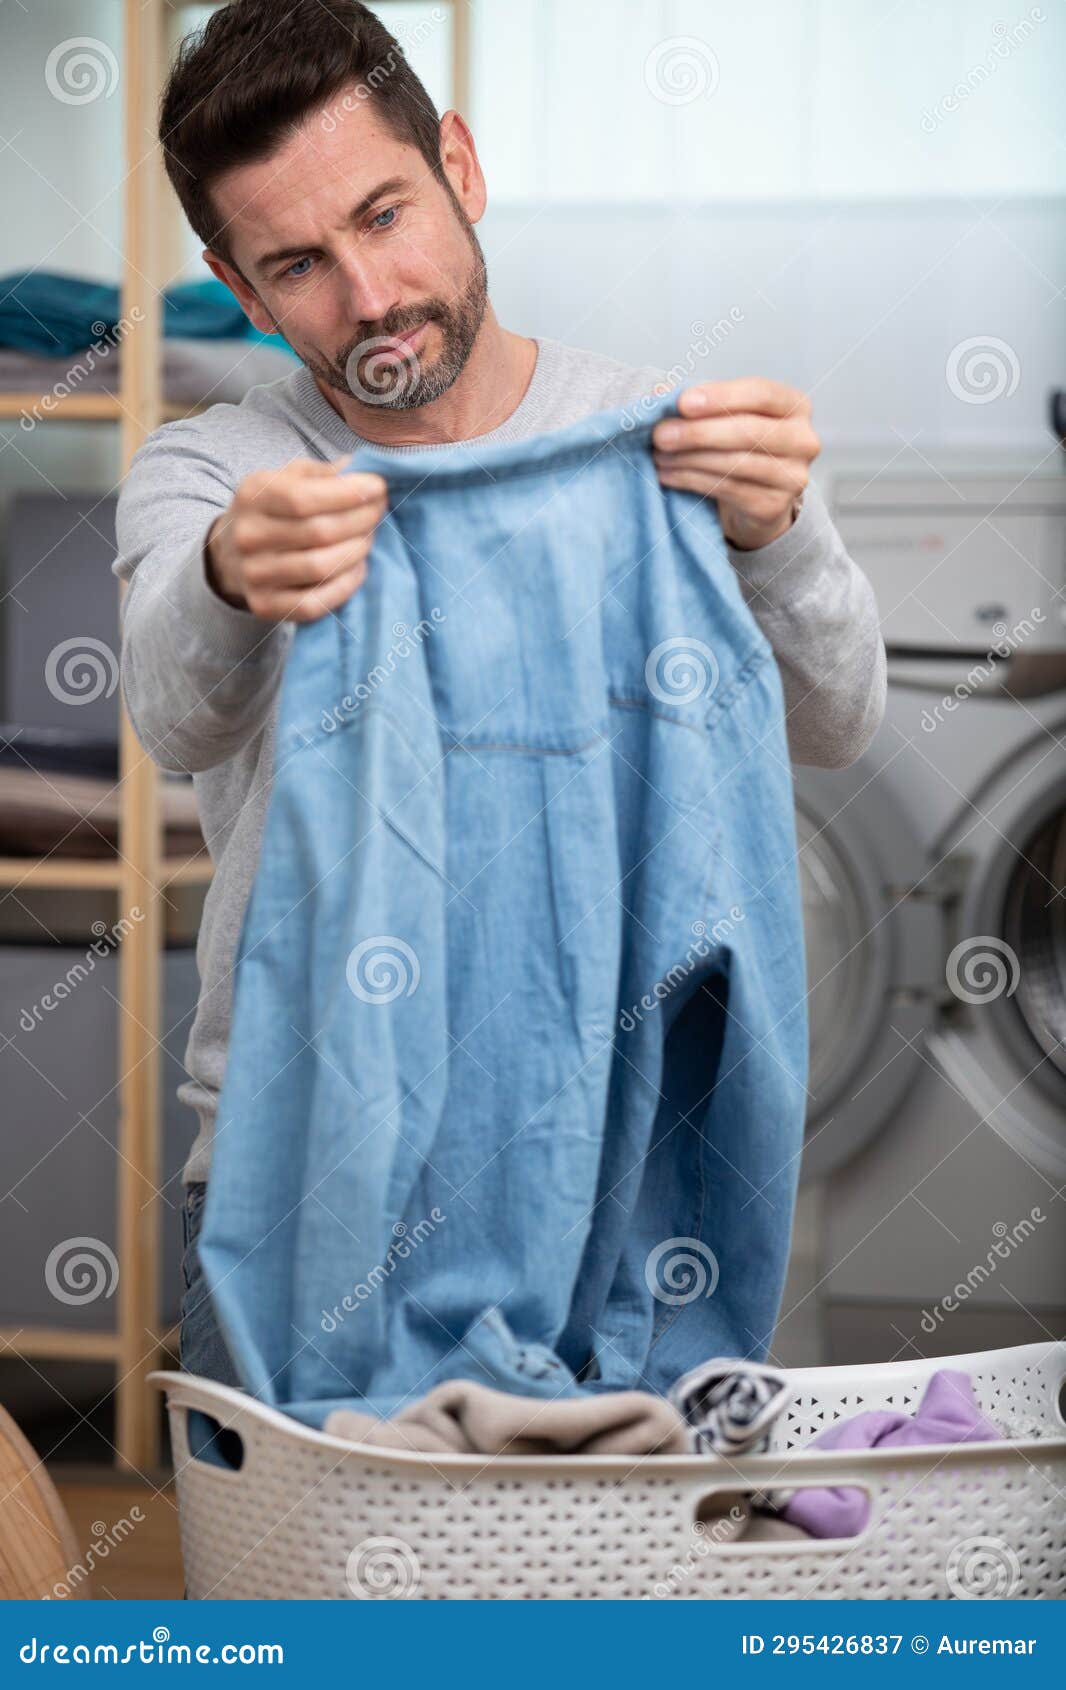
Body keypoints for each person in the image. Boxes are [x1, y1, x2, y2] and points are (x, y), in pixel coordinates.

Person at [113, 0, 886, 1387]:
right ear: (242, 290)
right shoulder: (217, 474)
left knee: (604, 1538)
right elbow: (174, 717)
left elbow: (838, 721)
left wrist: (776, 533)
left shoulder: (667, 448)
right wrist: (228, 574)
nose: (369, 296)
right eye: (298, 264)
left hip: (615, 1158)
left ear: (459, 168)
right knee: (299, 1537)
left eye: (385, 215)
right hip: (302, 1166)